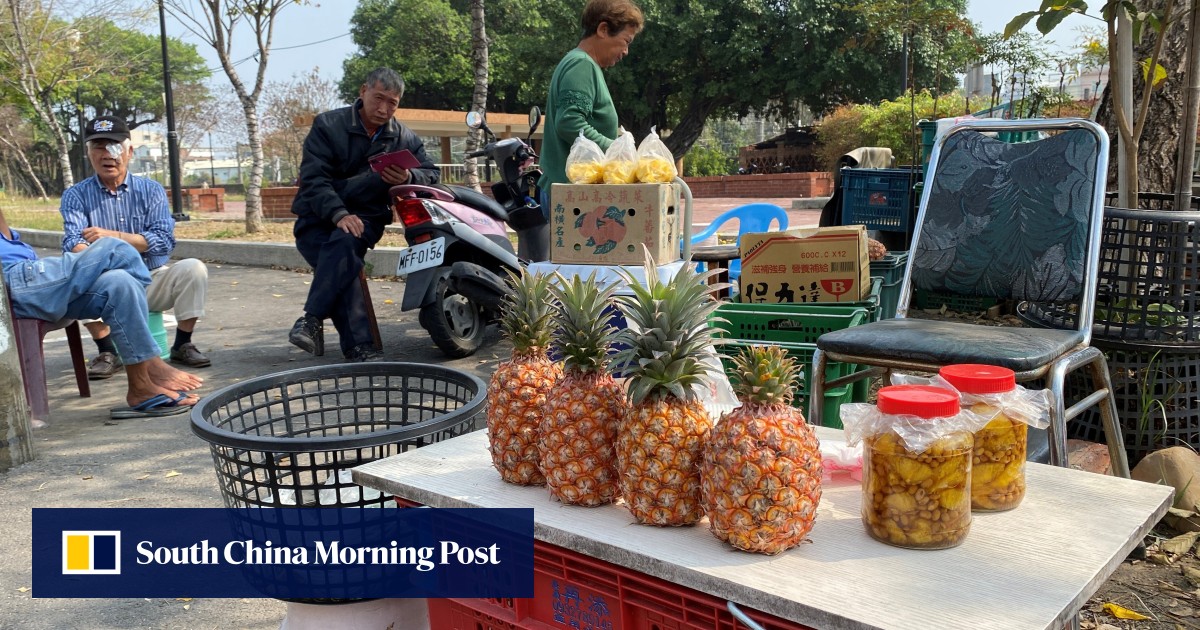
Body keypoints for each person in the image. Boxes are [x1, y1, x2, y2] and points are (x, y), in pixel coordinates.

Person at [288, 67, 440, 362]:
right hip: (317, 219)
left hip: (367, 218)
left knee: (345, 245)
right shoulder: (328, 125)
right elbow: (313, 179)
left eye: (392, 103)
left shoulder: (403, 137)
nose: (384, 109)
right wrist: (339, 213)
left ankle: (311, 320)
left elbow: (432, 174)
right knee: (344, 258)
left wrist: (409, 175)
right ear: (363, 91)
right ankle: (359, 347)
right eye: (378, 98)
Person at [1, 210, 203, 421]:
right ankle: (151, 361)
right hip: (11, 280)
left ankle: (140, 387)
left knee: (121, 283)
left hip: (35, 284)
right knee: (115, 247)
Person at [61, 115, 212, 380]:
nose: (108, 154)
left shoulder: (151, 190)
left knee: (193, 269)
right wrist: (130, 245)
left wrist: (110, 238)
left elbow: (163, 241)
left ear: (130, 151)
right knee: (76, 273)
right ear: (89, 154)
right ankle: (107, 351)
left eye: (115, 146)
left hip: (150, 278)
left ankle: (182, 343)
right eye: (99, 146)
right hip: (107, 284)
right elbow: (74, 242)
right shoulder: (76, 195)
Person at [538, 0, 644, 195]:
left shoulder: (579, 62)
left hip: (572, 193)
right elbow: (570, 123)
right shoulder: (582, 65)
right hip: (571, 196)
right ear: (603, 29)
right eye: (626, 41)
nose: (626, 52)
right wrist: (617, 151)